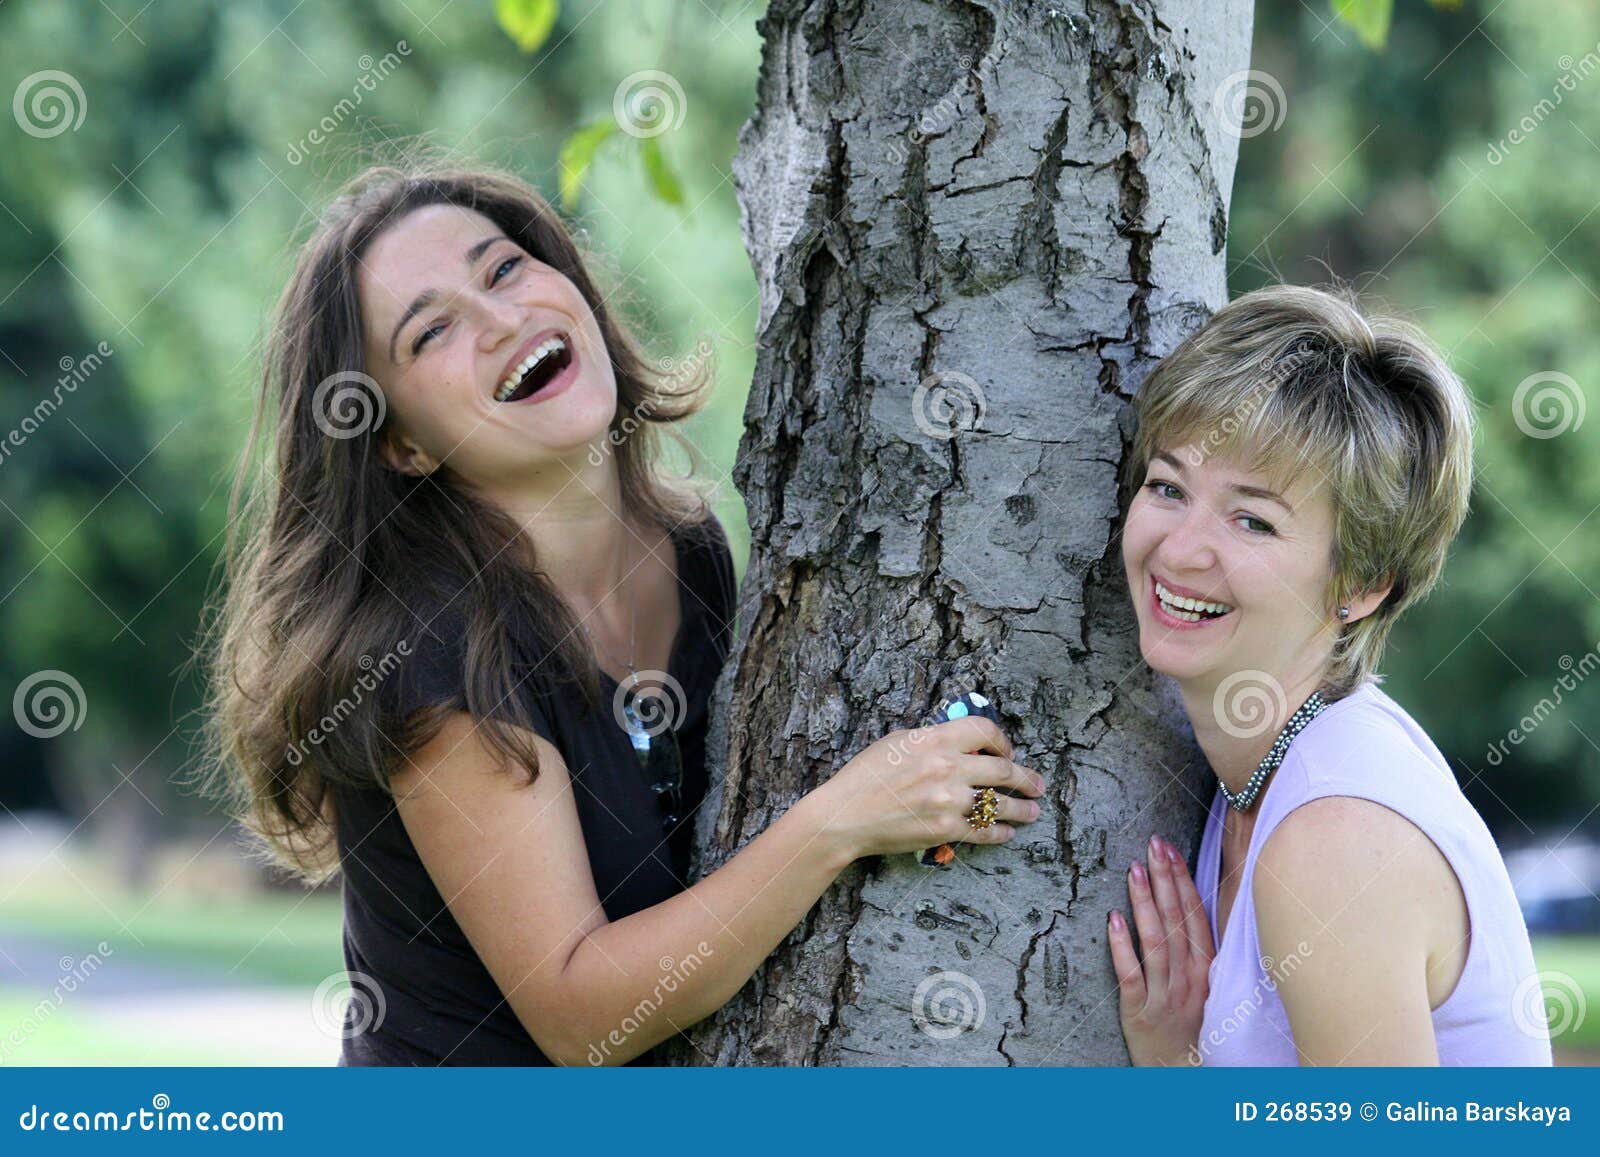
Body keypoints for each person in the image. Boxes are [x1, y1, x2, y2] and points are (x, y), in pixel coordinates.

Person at [200, 160, 1044, 1066]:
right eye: (432, 330)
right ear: (401, 442)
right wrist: (843, 820)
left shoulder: (689, 550)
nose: (501, 320)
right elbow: (579, 1013)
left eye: (504, 268)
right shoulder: (428, 653)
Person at [1107, 284, 1552, 1066]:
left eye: (1253, 519)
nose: (1179, 550)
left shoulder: (1333, 839)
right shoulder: (1259, 771)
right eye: (1169, 487)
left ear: (1362, 583)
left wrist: (1174, 1069)